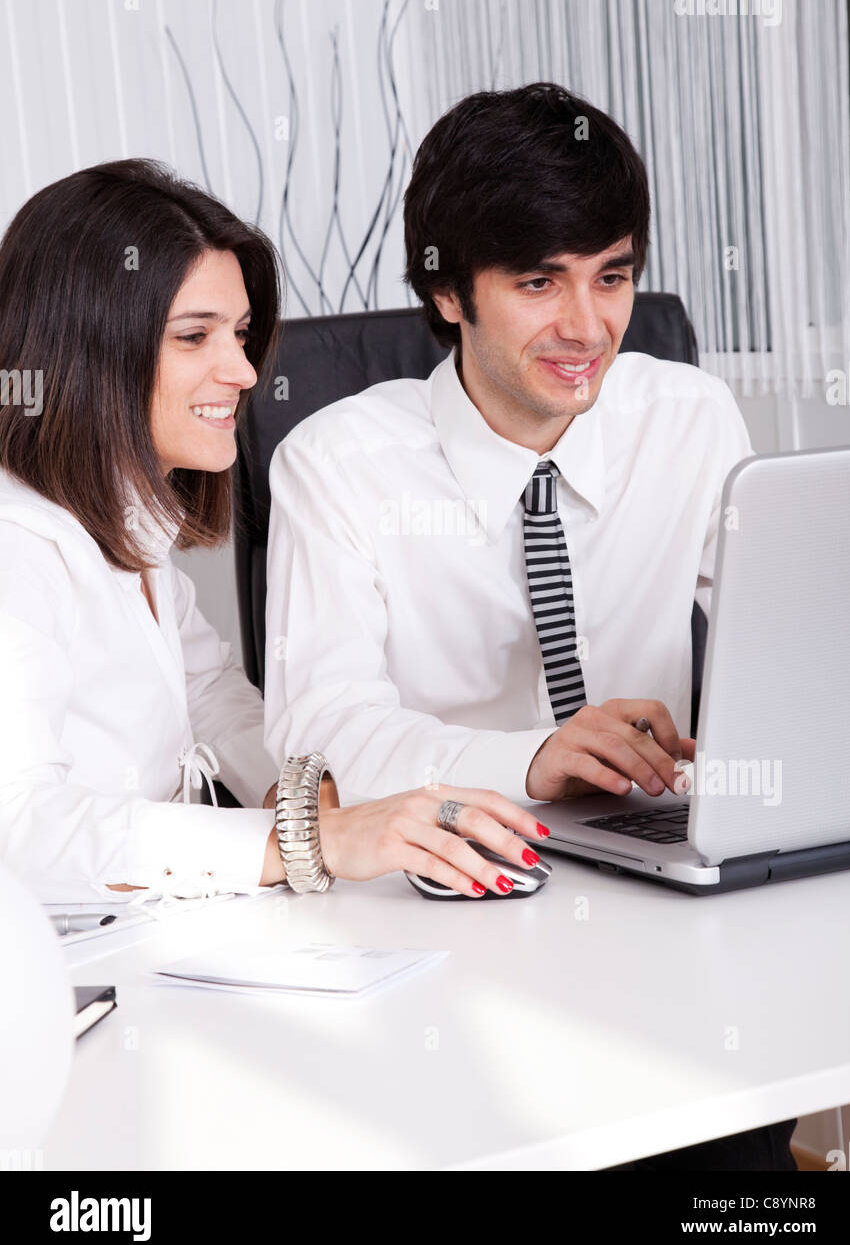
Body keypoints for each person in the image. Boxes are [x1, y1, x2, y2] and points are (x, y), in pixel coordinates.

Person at [263, 82, 797, 1170]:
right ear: (449, 292)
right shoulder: (337, 464)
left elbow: (791, 641)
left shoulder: (683, 418)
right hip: (445, 934)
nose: (586, 326)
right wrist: (532, 759)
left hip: (667, 909)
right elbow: (315, 734)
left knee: (738, 1144)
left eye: (612, 276)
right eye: (538, 283)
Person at [0, 158, 545, 909]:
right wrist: (304, 844)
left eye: (242, 333)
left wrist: (329, 803)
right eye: (195, 337)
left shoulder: (127, 523)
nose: (245, 372)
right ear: (83, 348)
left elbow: (211, 695)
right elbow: (21, 829)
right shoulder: (16, 547)